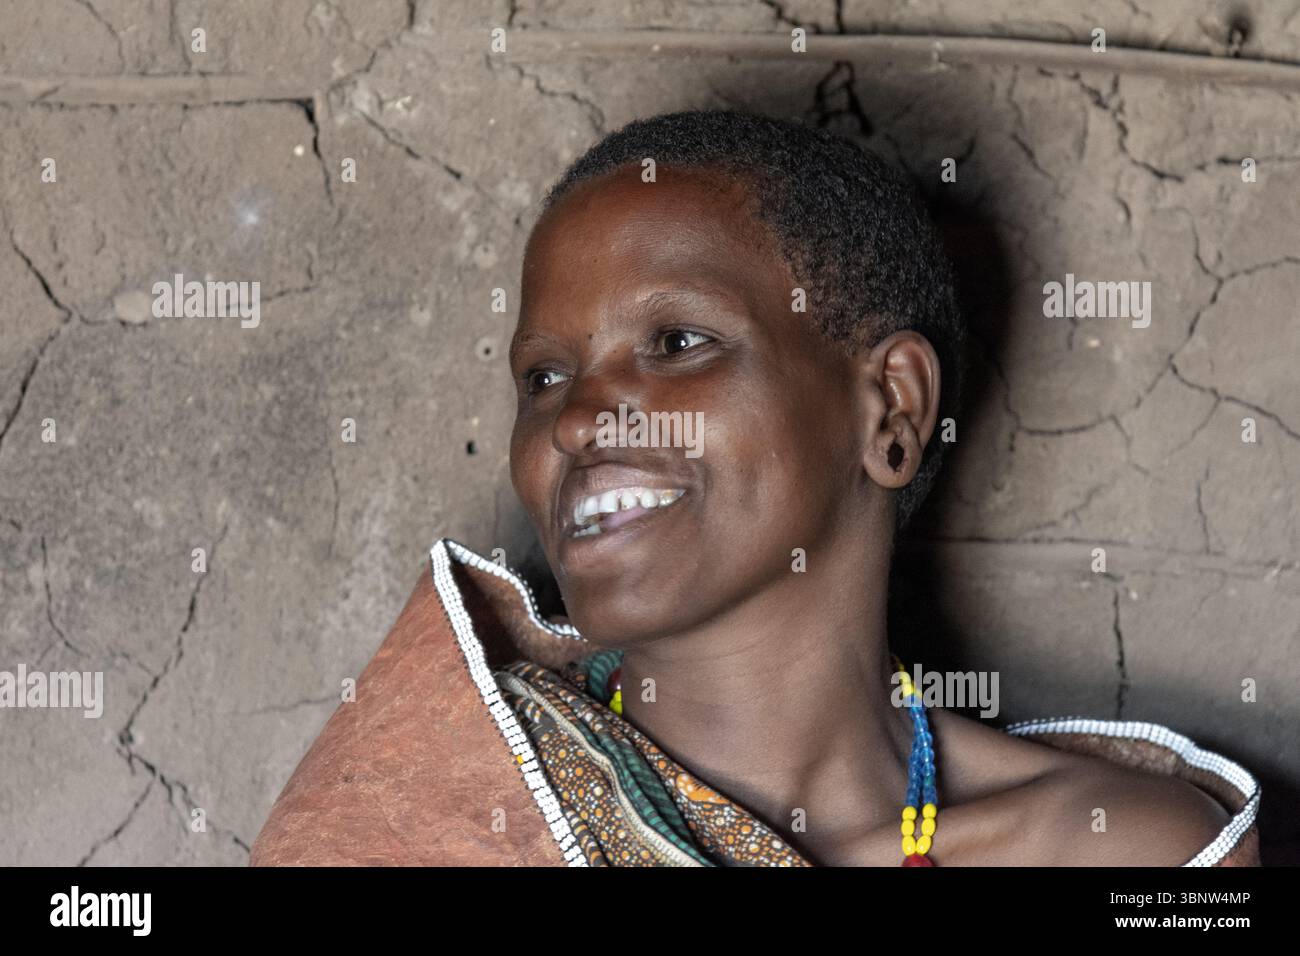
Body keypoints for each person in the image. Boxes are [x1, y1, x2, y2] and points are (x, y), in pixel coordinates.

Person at [250, 110, 1260, 867]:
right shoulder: (426, 814)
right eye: (543, 376)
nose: (576, 420)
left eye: (676, 342)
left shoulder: (1133, 852)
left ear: (890, 408)